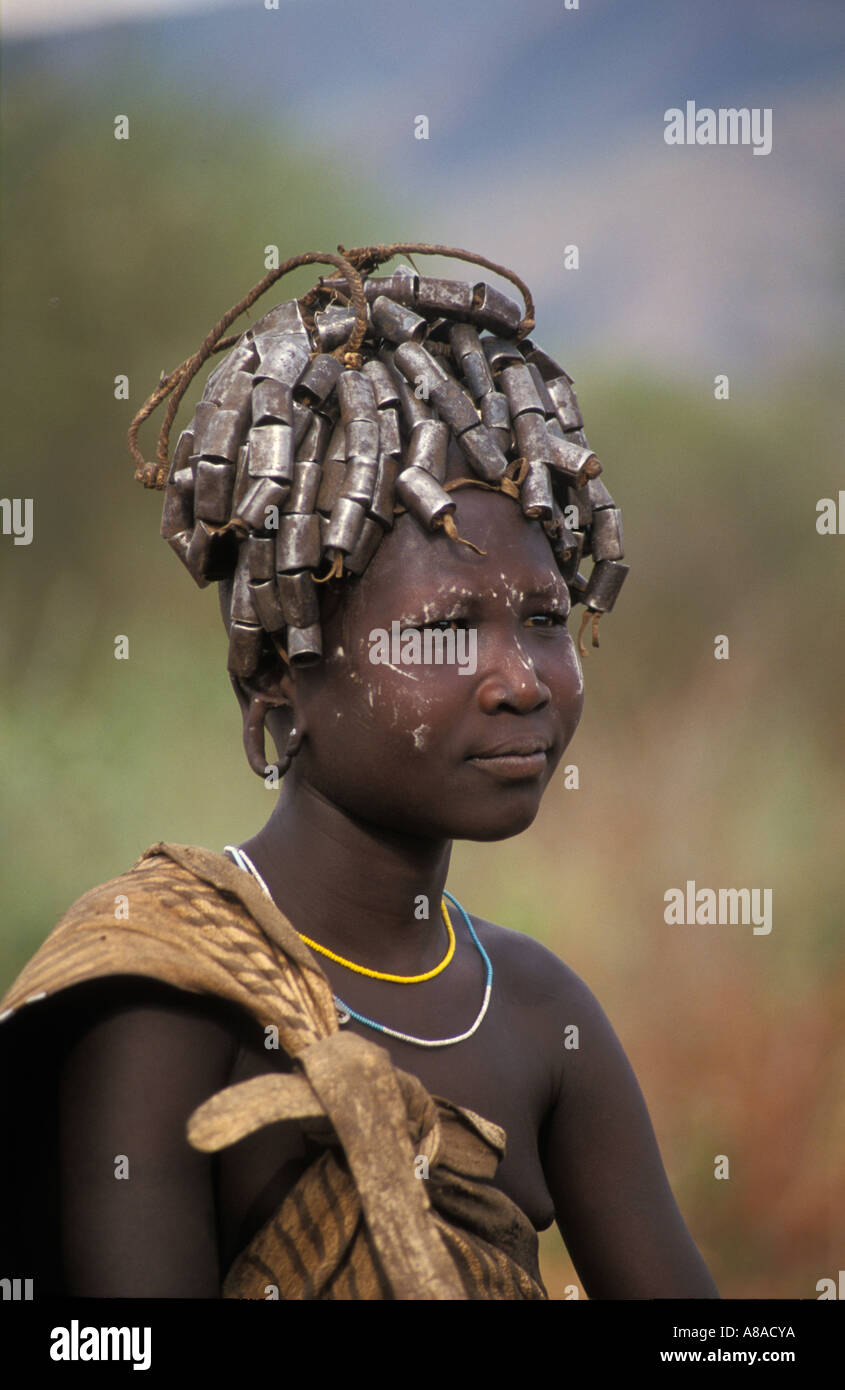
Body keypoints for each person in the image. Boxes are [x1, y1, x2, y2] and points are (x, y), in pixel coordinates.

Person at [0, 243, 718, 1300]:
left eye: (542, 620)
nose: (518, 680)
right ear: (282, 673)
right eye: (440, 631)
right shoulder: (165, 996)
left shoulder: (534, 1013)